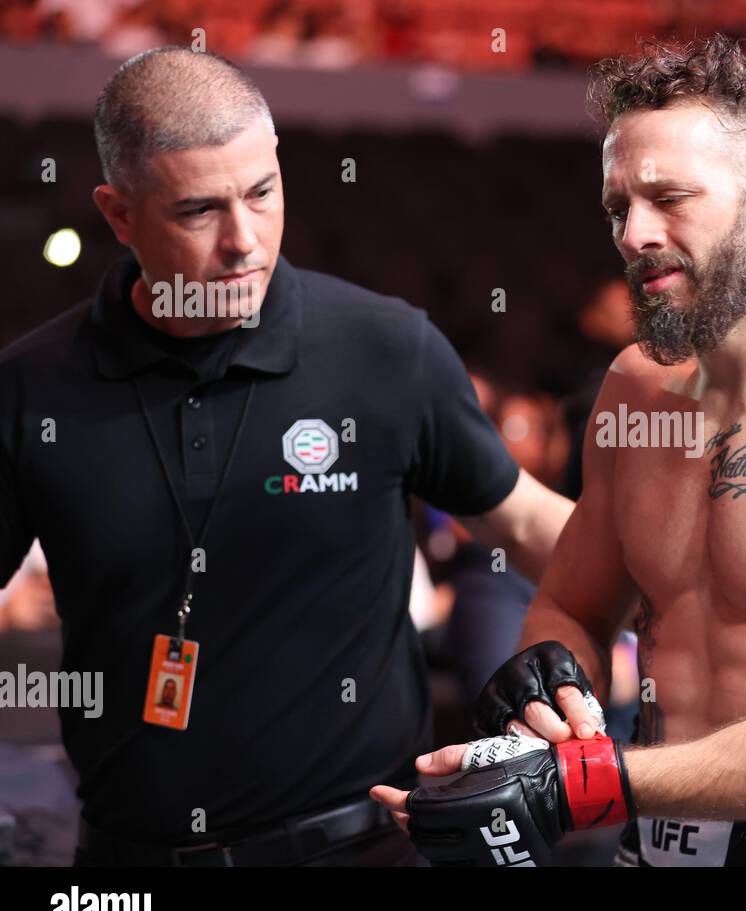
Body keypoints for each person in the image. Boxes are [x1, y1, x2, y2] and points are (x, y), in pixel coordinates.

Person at [371, 34, 746, 867]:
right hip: (652, 844)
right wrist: (549, 689)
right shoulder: (635, 388)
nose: (633, 234)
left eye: (668, 198)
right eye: (618, 206)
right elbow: (574, 608)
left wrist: (588, 782)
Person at [0, 46, 574, 866]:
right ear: (119, 215)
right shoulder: (29, 390)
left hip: (359, 852)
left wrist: (696, 613)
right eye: (199, 211)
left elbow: (524, 519)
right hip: (125, 874)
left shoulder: (386, 349)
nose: (244, 241)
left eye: (263, 193)